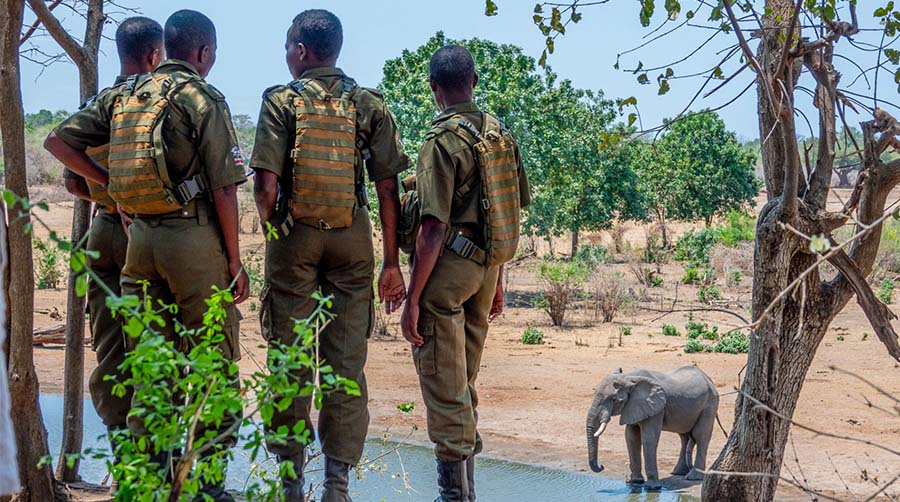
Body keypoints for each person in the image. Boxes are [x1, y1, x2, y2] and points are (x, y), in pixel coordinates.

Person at [45, 10, 248, 502]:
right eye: (213, 55)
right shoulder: (202, 97)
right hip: (191, 241)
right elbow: (224, 189)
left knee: (150, 366)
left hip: (140, 243)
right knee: (213, 360)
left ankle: (146, 483)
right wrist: (236, 262)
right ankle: (206, 486)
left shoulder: (124, 96)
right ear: (200, 53)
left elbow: (58, 143)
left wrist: (111, 187)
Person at [251, 9, 409, 502]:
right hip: (352, 236)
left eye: (287, 46)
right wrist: (390, 262)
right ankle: (336, 487)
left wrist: (273, 225)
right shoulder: (367, 103)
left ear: (300, 50)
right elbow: (388, 187)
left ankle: (290, 483)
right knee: (345, 364)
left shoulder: (280, 100)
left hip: (294, 236)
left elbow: (264, 186)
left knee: (290, 358)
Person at [400, 45, 530, 502]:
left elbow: (432, 227)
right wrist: (497, 280)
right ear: (473, 80)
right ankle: (467, 492)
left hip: (449, 272)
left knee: (445, 385)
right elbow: (509, 209)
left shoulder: (440, 141)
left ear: (434, 88)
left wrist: (414, 297)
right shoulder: (500, 134)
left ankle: (454, 497)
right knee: (463, 382)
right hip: (487, 268)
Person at [43, 15, 164, 488]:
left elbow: (71, 174)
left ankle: (121, 469)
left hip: (103, 233)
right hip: (144, 237)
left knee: (111, 353)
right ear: (155, 55)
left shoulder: (99, 104)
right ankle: (152, 473)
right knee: (152, 350)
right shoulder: (154, 103)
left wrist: (106, 186)